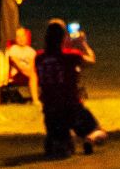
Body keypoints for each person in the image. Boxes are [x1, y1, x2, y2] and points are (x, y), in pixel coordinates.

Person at [34, 19, 104, 156]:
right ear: (64, 36)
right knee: (99, 132)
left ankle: (58, 141)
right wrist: (82, 43)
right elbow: (91, 60)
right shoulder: (71, 56)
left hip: (51, 110)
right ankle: (89, 139)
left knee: (61, 142)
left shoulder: (39, 57)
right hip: (72, 106)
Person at [5, 26, 38, 103]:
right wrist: (25, 69)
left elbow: (32, 65)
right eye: (18, 37)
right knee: (32, 75)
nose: (21, 39)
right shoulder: (13, 49)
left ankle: (37, 98)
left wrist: (29, 70)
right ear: (15, 39)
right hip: (16, 72)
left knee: (34, 74)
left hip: (28, 71)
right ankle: (35, 99)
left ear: (26, 37)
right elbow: (15, 62)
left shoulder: (31, 51)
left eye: (23, 36)